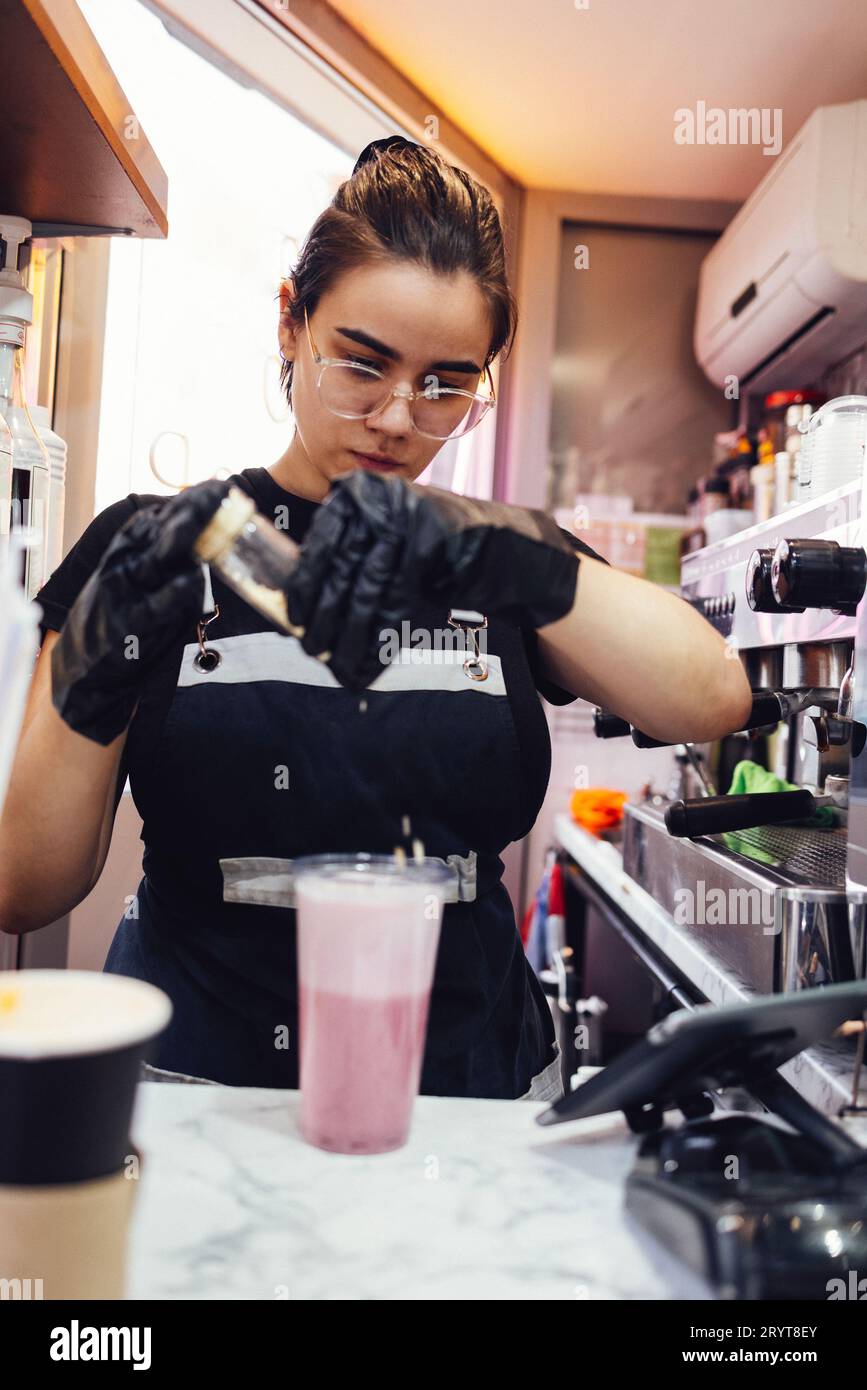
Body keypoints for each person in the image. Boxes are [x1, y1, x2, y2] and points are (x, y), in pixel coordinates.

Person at [0, 138, 751, 1099]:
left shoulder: (497, 559)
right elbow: (26, 887)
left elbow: (712, 699)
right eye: (363, 365)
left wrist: (521, 559)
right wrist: (99, 652)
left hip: (459, 1097)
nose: (399, 419)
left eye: (446, 384)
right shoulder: (150, 548)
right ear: (290, 324)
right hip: (195, 1088)